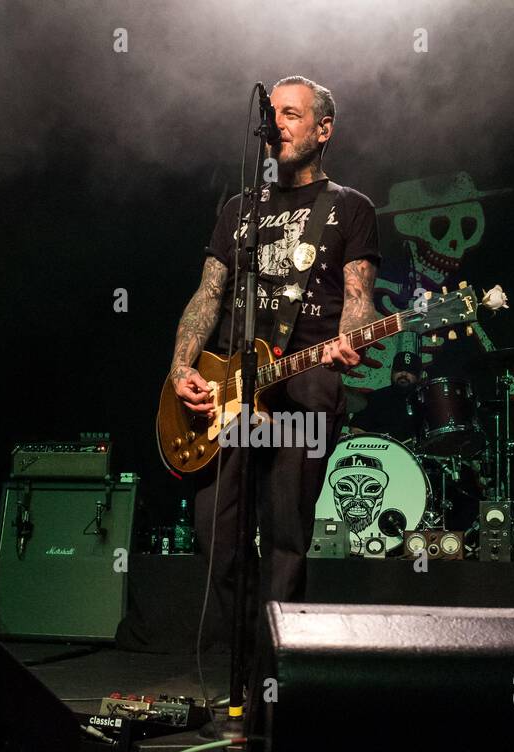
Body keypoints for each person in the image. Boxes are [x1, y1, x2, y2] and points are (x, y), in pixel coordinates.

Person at [168, 76, 381, 660]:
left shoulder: (350, 207)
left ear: (322, 130)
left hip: (304, 387)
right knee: (214, 531)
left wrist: (348, 340)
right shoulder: (240, 207)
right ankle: (247, 653)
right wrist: (180, 366)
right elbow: (209, 294)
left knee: (285, 532)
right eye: (273, 114)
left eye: (292, 114)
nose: (278, 124)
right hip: (233, 389)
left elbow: (359, 297)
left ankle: (278, 672)